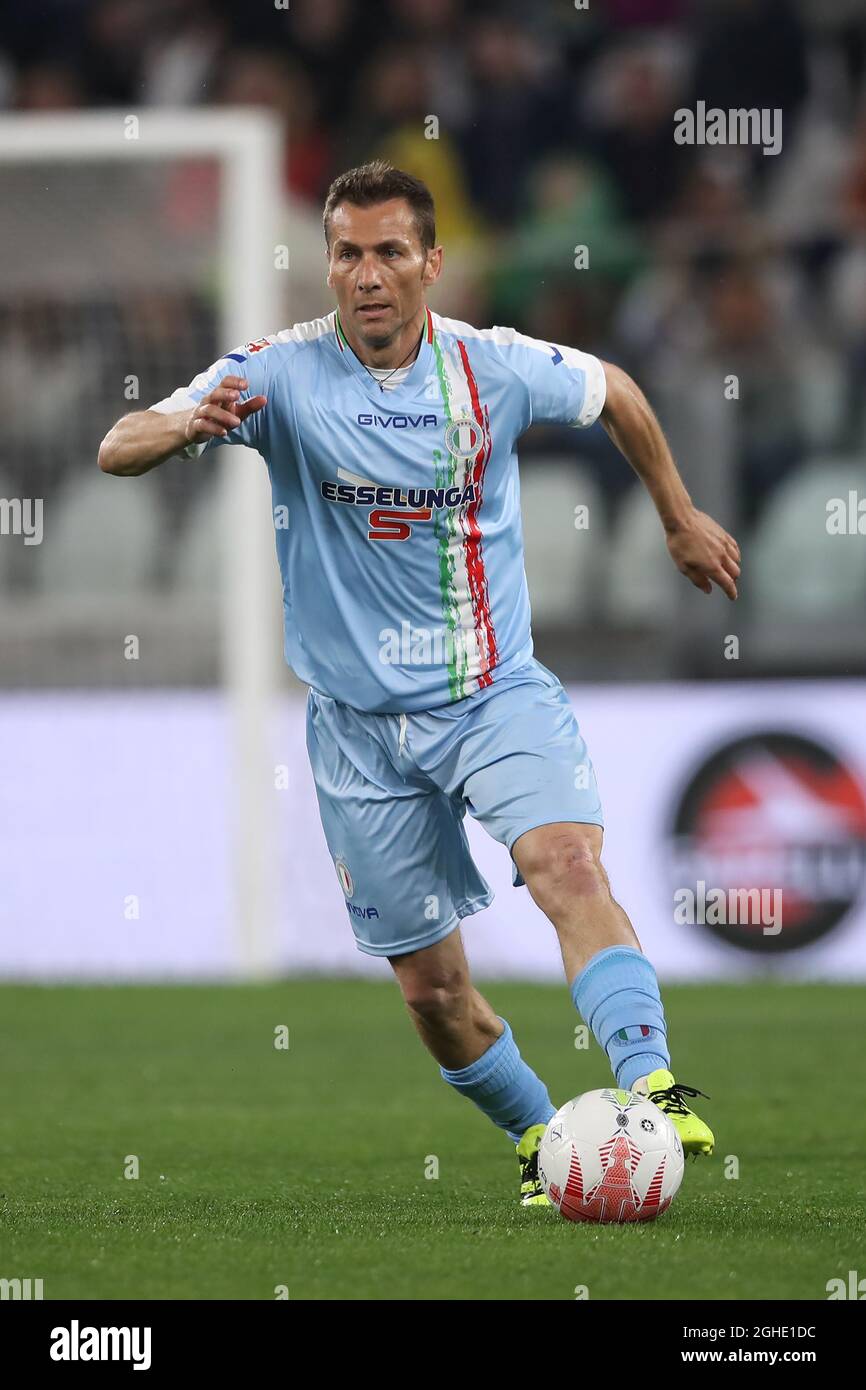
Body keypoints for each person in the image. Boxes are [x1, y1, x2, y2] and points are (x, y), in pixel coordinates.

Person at [98, 161, 740, 1206]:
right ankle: (546, 1139)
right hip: (357, 729)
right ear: (328, 264)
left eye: (390, 252)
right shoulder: (272, 373)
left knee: (565, 866)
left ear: (431, 263)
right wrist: (174, 428)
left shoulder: (492, 366)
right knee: (434, 994)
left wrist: (673, 513)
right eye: (346, 253)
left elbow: (615, 388)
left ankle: (652, 1088)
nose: (366, 276)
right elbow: (113, 444)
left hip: (489, 691)